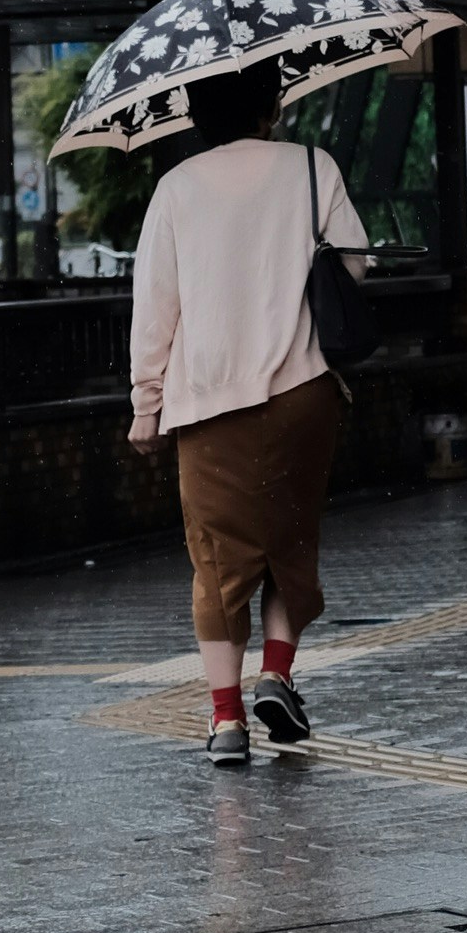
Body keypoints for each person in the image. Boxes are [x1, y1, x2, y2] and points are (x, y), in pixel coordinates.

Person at [127, 56, 368, 767]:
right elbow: (353, 267)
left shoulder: (175, 188)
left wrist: (147, 403)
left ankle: (227, 721)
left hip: (206, 402)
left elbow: (156, 306)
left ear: (199, 118)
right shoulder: (310, 167)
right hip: (302, 393)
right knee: (289, 544)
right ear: (271, 106)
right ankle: (277, 674)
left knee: (217, 563)